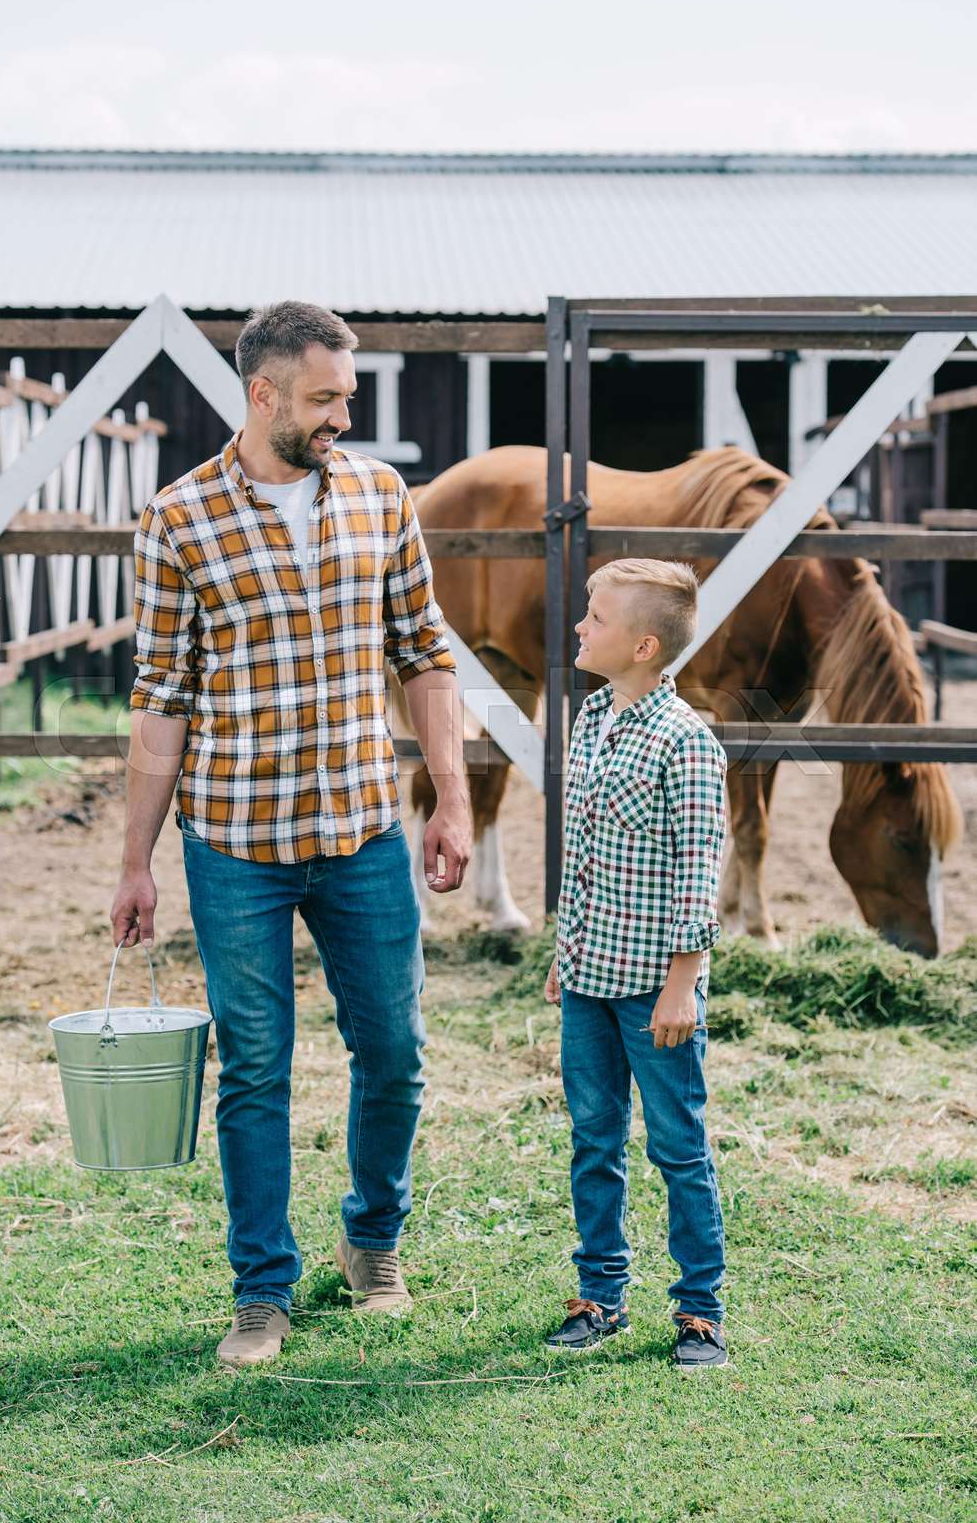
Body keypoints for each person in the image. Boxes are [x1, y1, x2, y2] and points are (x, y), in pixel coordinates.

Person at [109, 300, 472, 1367]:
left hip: (362, 827)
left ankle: (373, 1243)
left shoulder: (379, 496)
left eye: (347, 395)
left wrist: (448, 796)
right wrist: (136, 861)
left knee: (396, 1052)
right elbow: (160, 702)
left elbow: (424, 655)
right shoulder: (181, 521)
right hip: (235, 841)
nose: (342, 416)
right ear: (261, 394)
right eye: (324, 398)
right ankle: (262, 1289)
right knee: (257, 1066)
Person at [543, 558, 730, 1370]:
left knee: (677, 1146)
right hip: (588, 978)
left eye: (597, 617)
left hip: (655, 989)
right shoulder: (590, 719)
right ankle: (600, 1295)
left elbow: (698, 871)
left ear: (645, 645)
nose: (581, 626)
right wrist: (563, 955)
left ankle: (699, 1311)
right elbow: (579, 853)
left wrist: (682, 985)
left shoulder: (685, 743)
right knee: (594, 1139)